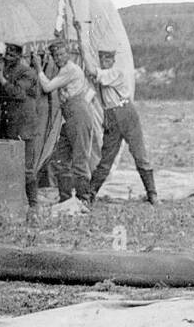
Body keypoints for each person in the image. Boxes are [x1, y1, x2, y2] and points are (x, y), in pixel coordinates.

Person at [85, 46, 157, 205]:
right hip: (111, 117)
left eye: (108, 59)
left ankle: (152, 194)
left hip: (126, 114)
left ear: (113, 60)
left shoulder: (116, 73)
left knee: (140, 155)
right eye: (102, 59)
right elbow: (90, 87)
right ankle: (89, 196)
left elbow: (92, 70)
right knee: (105, 160)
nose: (105, 62)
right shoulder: (102, 76)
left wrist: (81, 37)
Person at [36, 40, 103, 204]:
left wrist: (38, 69)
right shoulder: (65, 69)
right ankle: (66, 199)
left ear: (68, 54)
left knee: (80, 160)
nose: (59, 58)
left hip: (78, 114)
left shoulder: (70, 70)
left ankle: (84, 200)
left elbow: (47, 87)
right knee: (59, 159)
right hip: (70, 116)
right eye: (55, 56)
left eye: (61, 54)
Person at [0, 41, 41, 215]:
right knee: (8, 166)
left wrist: (0, 77)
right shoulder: (7, 71)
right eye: (6, 55)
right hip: (9, 125)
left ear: (19, 56)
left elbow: (17, 93)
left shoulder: (28, 72)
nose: (8, 58)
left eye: (12, 55)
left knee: (27, 169)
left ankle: (34, 205)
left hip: (24, 127)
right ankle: (11, 204)